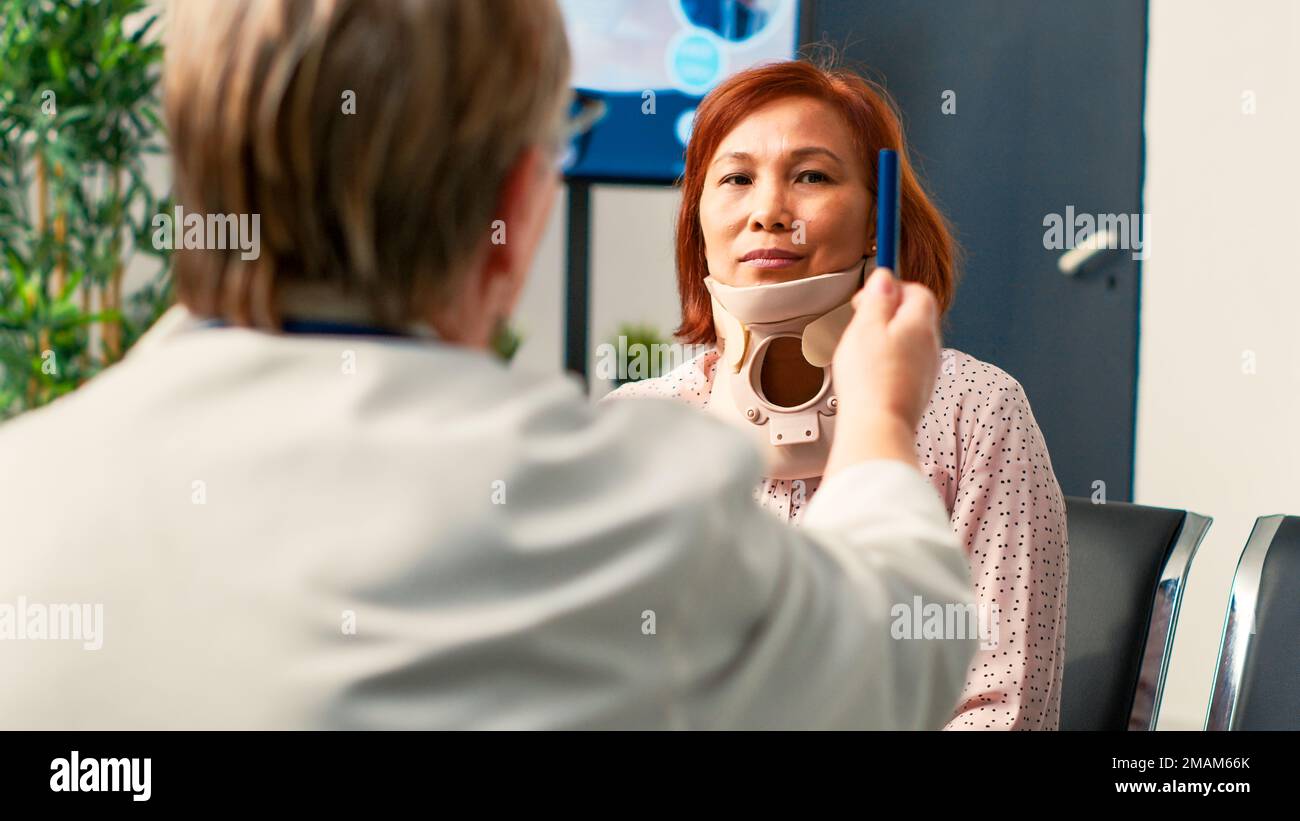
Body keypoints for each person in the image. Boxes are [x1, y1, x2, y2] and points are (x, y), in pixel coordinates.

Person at [0, 0, 973, 729]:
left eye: (810, 174)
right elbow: (897, 651)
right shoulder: (616, 504)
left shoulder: (24, 486)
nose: (769, 210)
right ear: (514, 207)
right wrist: (883, 419)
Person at [605, 60, 1070, 730]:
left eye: (811, 176)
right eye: (736, 178)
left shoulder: (976, 411)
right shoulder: (637, 429)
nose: (768, 211)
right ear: (697, 221)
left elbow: (1002, 710)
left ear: (878, 221)